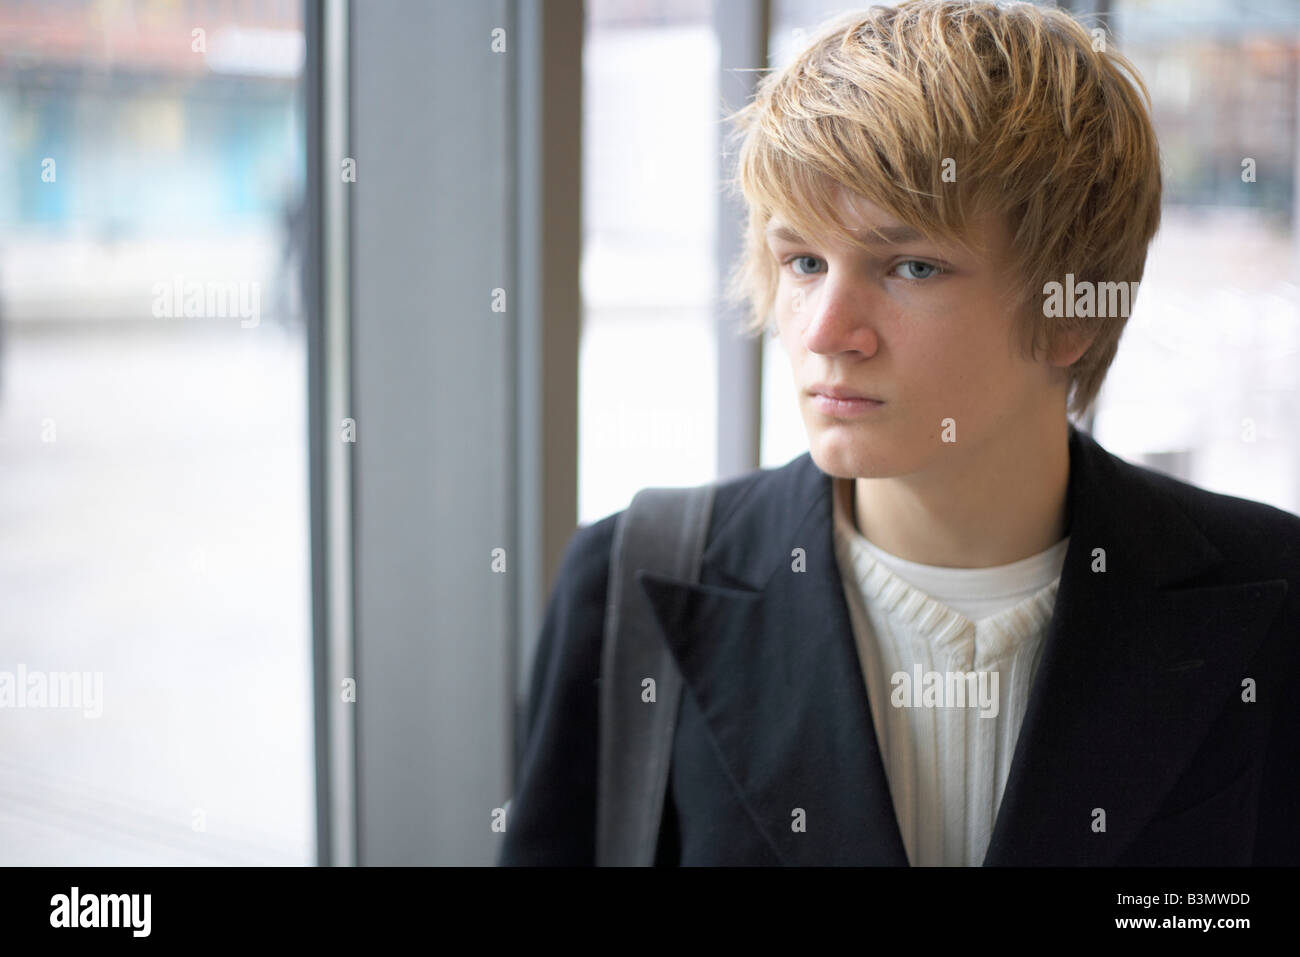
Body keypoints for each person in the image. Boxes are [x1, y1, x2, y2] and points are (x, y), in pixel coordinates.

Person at [498, 0, 1300, 866]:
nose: (825, 329)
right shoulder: (634, 576)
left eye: (910, 266)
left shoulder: (1274, 595)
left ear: (1070, 309)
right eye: (803, 260)